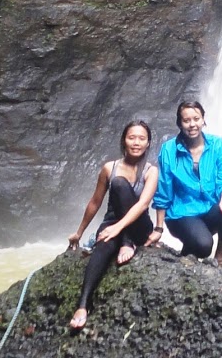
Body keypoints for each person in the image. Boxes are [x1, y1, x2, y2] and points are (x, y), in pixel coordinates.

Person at [66, 119, 158, 330]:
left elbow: (143, 204)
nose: (136, 142)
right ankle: (83, 305)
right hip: (112, 221)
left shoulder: (151, 171)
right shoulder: (110, 168)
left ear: (148, 143)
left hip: (139, 225)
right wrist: (79, 232)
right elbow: (95, 202)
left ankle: (128, 241)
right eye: (132, 137)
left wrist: (119, 229)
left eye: (141, 138)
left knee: (119, 184)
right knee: (103, 247)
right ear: (124, 140)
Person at [150, 96, 222, 265]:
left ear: (203, 120)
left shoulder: (219, 145)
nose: (192, 124)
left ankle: (220, 257)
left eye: (196, 119)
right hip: (181, 214)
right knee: (203, 246)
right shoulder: (169, 150)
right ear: (179, 123)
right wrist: (159, 228)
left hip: (209, 208)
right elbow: (163, 188)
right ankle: (194, 244)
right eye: (186, 120)